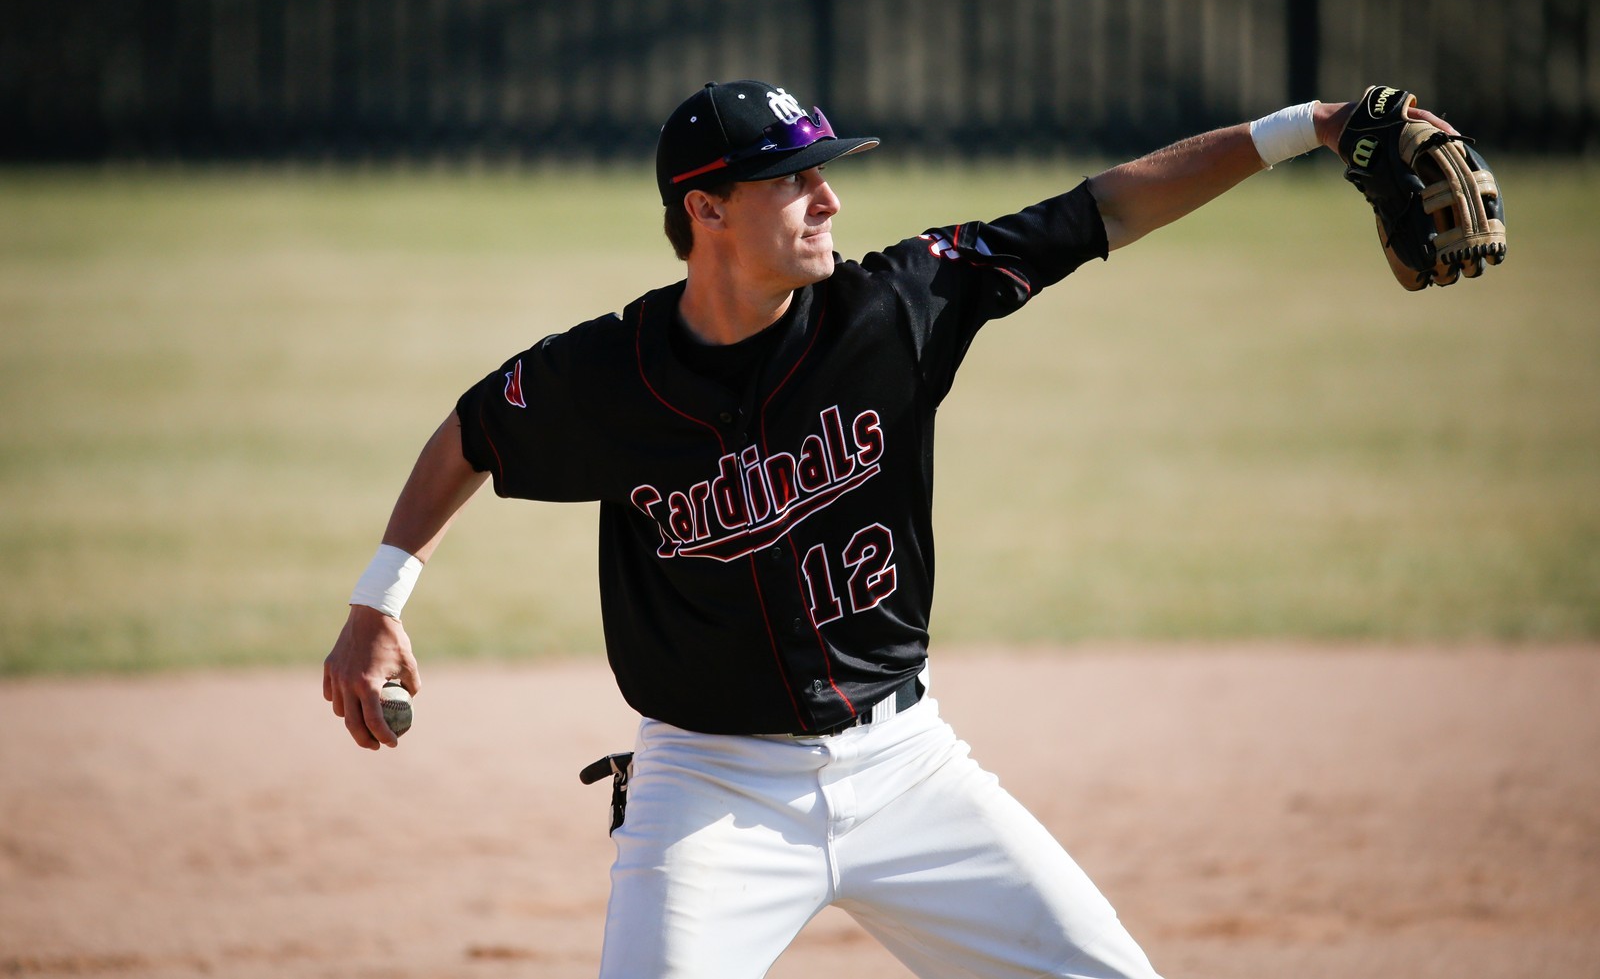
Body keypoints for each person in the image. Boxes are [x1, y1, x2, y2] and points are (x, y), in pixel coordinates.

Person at [324, 79, 1458, 978]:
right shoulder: (609, 375)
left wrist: (1309, 126)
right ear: (704, 210)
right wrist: (379, 600)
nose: (827, 200)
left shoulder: (896, 307)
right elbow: (472, 434)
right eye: (792, 180)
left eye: (825, 172)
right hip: (708, 791)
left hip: (909, 768)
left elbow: (1102, 209)